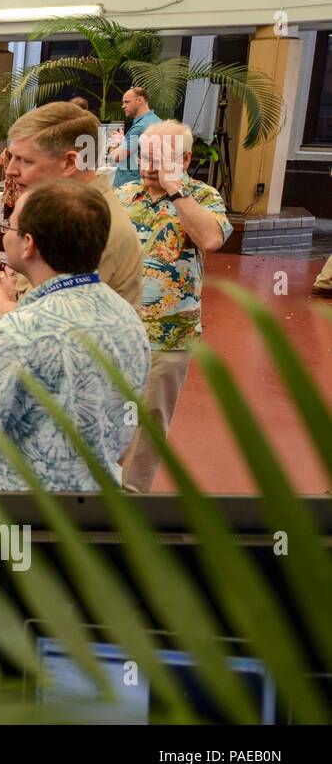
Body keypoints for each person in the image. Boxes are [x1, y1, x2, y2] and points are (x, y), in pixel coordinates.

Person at [0, 179, 149, 507]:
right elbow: (119, 431)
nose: (6, 234)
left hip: (18, 516)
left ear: (28, 245)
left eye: (8, 227)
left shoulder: (19, 330)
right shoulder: (128, 321)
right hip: (98, 511)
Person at [118, 120, 232, 493]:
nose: (150, 164)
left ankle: (128, 510)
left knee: (147, 424)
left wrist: (176, 191)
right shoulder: (122, 196)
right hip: (114, 331)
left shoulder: (203, 196)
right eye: (146, 155)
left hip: (168, 335)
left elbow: (211, 239)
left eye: (161, 157)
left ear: (184, 158)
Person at [0, 102, 143, 325]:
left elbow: (59, 327)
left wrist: (2, 310)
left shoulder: (95, 228)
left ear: (70, 162)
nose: (10, 171)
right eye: (12, 157)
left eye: (25, 160)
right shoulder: (63, 212)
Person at [110, 86, 161, 189]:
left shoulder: (140, 127)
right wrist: (124, 140)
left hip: (129, 187)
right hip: (143, 183)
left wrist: (113, 145)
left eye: (127, 102)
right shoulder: (156, 120)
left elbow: (117, 157)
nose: (123, 106)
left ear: (140, 100)